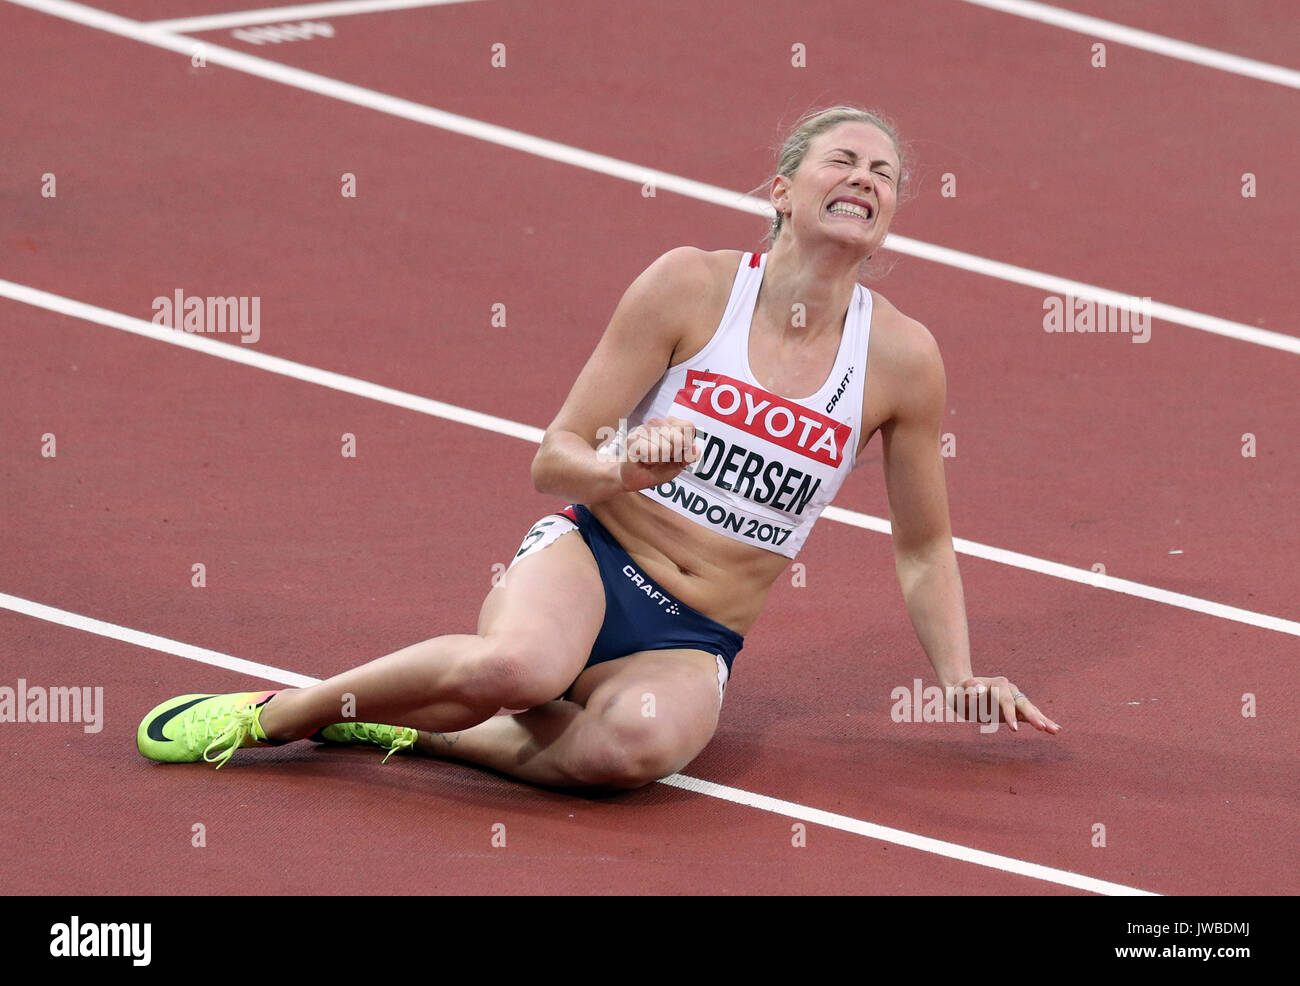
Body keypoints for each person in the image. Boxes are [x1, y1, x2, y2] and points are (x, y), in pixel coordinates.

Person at [137, 105, 1061, 788]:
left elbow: (923, 542)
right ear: (783, 190)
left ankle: (419, 733)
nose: (866, 177)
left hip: (699, 631)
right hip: (595, 556)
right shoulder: (689, 288)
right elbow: (554, 458)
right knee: (517, 671)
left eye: (886, 173)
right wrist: (624, 466)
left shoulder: (901, 357)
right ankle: (277, 716)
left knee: (636, 753)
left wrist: (959, 675)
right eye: (844, 160)